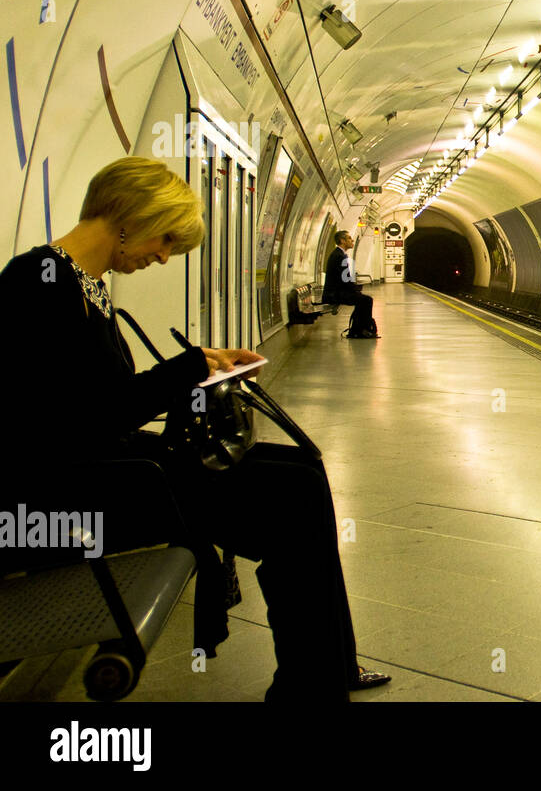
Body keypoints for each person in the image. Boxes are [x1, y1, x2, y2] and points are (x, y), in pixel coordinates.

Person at [0, 156, 389, 700]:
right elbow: (74, 420)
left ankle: (327, 668)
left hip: (106, 469)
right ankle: (314, 682)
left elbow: (94, 403)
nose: (161, 256)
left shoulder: (82, 283)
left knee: (302, 468)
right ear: (129, 215)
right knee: (292, 497)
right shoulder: (38, 282)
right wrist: (187, 370)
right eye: (163, 240)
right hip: (71, 493)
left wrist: (201, 365)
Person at [323, 231, 378, 338]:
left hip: (336, 291)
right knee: (366, 300)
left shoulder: (339, 254)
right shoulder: (339, 256)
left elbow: (344, 278)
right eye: (349, 238)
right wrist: (355, 289)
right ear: (342, 241)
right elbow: (345, 279)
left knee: (362, 299)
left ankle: (358, 330)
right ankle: (361, 330)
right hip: (335, 294)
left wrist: (354, 289)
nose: (352, 240)